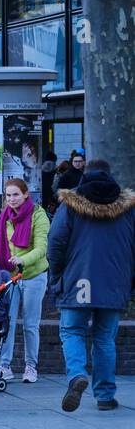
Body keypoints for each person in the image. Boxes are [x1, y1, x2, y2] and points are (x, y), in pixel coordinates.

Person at [48, 159, 135, 412]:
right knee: (105, 338)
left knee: (72, 331)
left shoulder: (71, 204)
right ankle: (106, 396)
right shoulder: (128, 207)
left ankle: (77, 375)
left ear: (84, 175)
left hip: (78, 279)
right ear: (111, 176)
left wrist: (57, 276)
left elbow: (56, 242)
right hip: (115, 282)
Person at [0, 178, 49, 383]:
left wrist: (22, 259)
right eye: (8, 195)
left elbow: (41, 249)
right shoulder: (4, 216)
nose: (12, 199)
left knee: (31, 324)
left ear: (25, 195)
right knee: (8, 322)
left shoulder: (38, 216)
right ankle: (4, 365)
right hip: (11, 276)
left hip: (33, 275)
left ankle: (31, 366)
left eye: (16, 194)